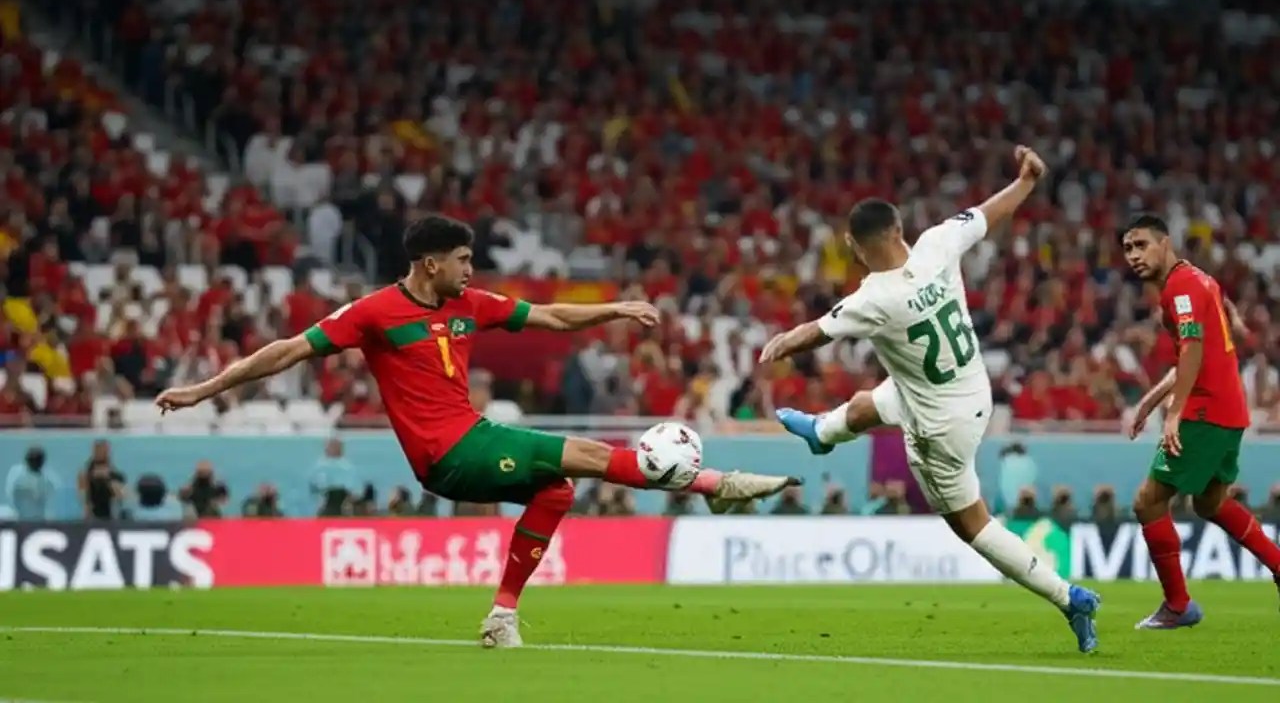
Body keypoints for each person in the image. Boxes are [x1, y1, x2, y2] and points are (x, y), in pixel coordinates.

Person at [154, 214, 795, 648]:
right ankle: (715, 484)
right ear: (429, 263)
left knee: (557, 492)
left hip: (472, 437)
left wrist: (613, 309)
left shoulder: (469, 305)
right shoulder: (375, 312)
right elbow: (287, 350)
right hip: (448, 450)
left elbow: (546, 316)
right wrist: (205, 390)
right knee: (589, 455)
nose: (470, 268)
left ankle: (501, 616)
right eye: (461, 259)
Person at [760, 145, 1102, 654]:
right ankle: (822, 433)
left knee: (972, 525)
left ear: (854, 246)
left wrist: (783, 341)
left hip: (940, 424)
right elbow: (988, 214)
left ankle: (1068, 597)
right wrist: (1027, 181)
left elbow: (818, 332)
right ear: (899, 230)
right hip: (969, 389)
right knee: (866, 404)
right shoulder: (938, 242)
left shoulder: (872, 298)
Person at [1121, 214, 1280, 629]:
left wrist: (1173, 414)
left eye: (1141, 245)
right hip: (1230, 411)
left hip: (1205, 412)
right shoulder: (1199, 280)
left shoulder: (1180, 288)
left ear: (1165, 242)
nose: (1134, 256)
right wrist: (1152, 399)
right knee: (1210, 502)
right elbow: (1198, 351)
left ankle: (1178, 605)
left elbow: (1192, 349)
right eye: (1128, 249)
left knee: (1148, 501)